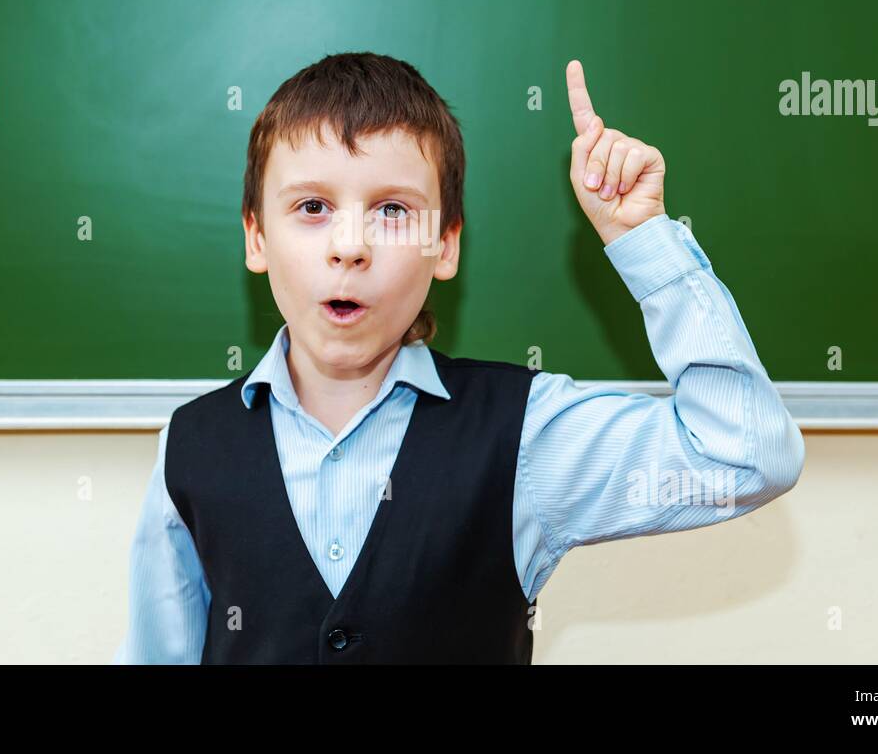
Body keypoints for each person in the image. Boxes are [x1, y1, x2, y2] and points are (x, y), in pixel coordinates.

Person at [114, 52, 805, 663]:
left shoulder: (526, 433)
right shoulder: (192, 446)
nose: (349, 246)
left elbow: (744, 453)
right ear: (256, 238)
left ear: (445, 246)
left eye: (393, 211)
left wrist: (643, 239)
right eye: (314, 206)